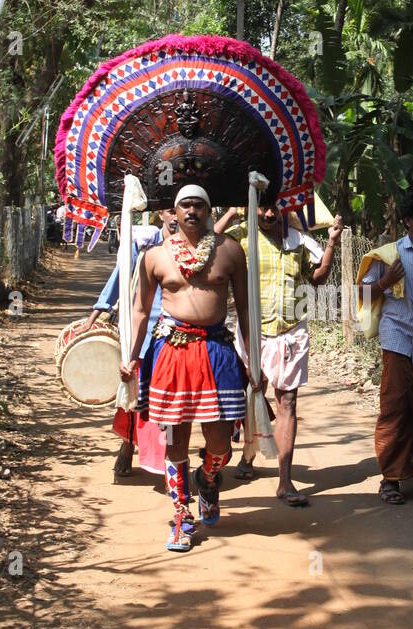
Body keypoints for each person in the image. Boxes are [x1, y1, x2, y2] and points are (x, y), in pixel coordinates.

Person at [122, 187, 256, 554]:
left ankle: (208, 478)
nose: (192, 210)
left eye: (200, 205)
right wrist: (131, 355)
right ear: (173, 212)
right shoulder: (154, 257)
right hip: (172, 350)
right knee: (175, 439)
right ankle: (182, 515)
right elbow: (139, 310)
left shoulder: (230, 250)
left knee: (220, 441)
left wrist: (253, 358)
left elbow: (245, 309)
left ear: (210, 210)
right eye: (186, 205)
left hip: (217, 351)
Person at [216, 203, 343, 505]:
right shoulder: (241, 237)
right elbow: (209, 244)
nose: (270, 215)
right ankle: (243, 457)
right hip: (252, 333)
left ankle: (285, 482)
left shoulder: (299, 241)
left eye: (276, 209)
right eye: (263, 209)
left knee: (287, 401)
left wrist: (333, 242)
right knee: (246, 397)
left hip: (291, 332)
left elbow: (318, 278)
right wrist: (234, 213)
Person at [357, 191, 413, 505]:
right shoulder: (388, 256)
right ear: (408, 221)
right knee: (395, 405)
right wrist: (384, 283)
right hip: (398, 337)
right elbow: (363, 295)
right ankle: (391, 480)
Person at [78, 219, 165, 479]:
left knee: (170, 398)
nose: (176, 217)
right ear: (162, 214)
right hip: (142, 332)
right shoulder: (143, 244)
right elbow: (118, 279)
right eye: (171, 211)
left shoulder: (197, 246)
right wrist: (94, 316)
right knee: (133, 393)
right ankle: (127, 445)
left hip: (178, 334)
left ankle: (172, 460)